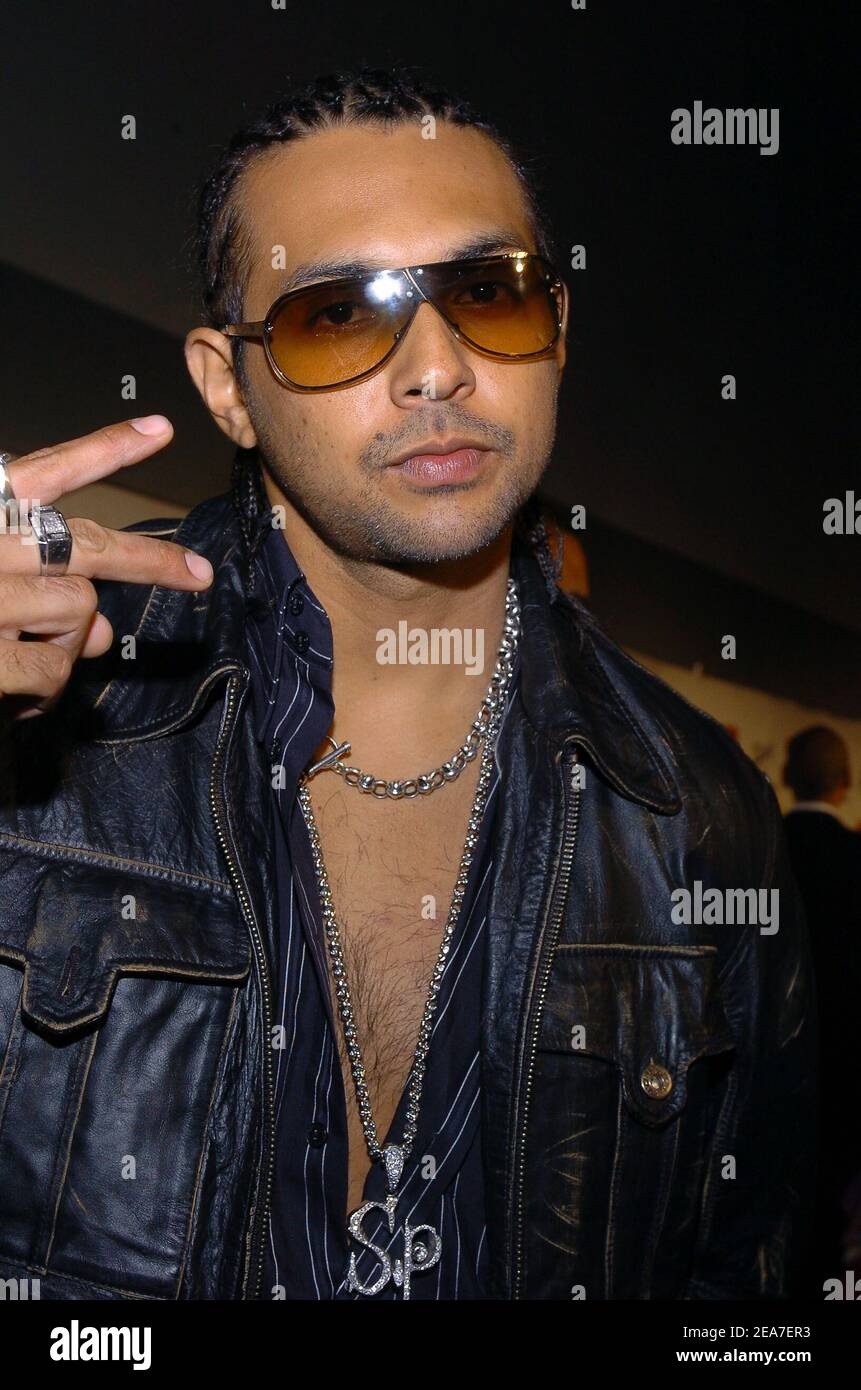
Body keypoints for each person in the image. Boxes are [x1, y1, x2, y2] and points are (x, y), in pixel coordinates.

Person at [0, 67, 815, 1301]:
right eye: (340, 312)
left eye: (487, 293)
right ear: (229, 386)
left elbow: (739, 1277)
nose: (436, 366)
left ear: (557, 332)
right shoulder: (42, 712)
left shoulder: (699, 815)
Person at [783, 726, 861, 1285]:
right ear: (847, 781)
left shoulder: (755, 845)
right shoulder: (856, 858)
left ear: (787, 775)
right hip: (844, 1068)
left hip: (760, 1063)